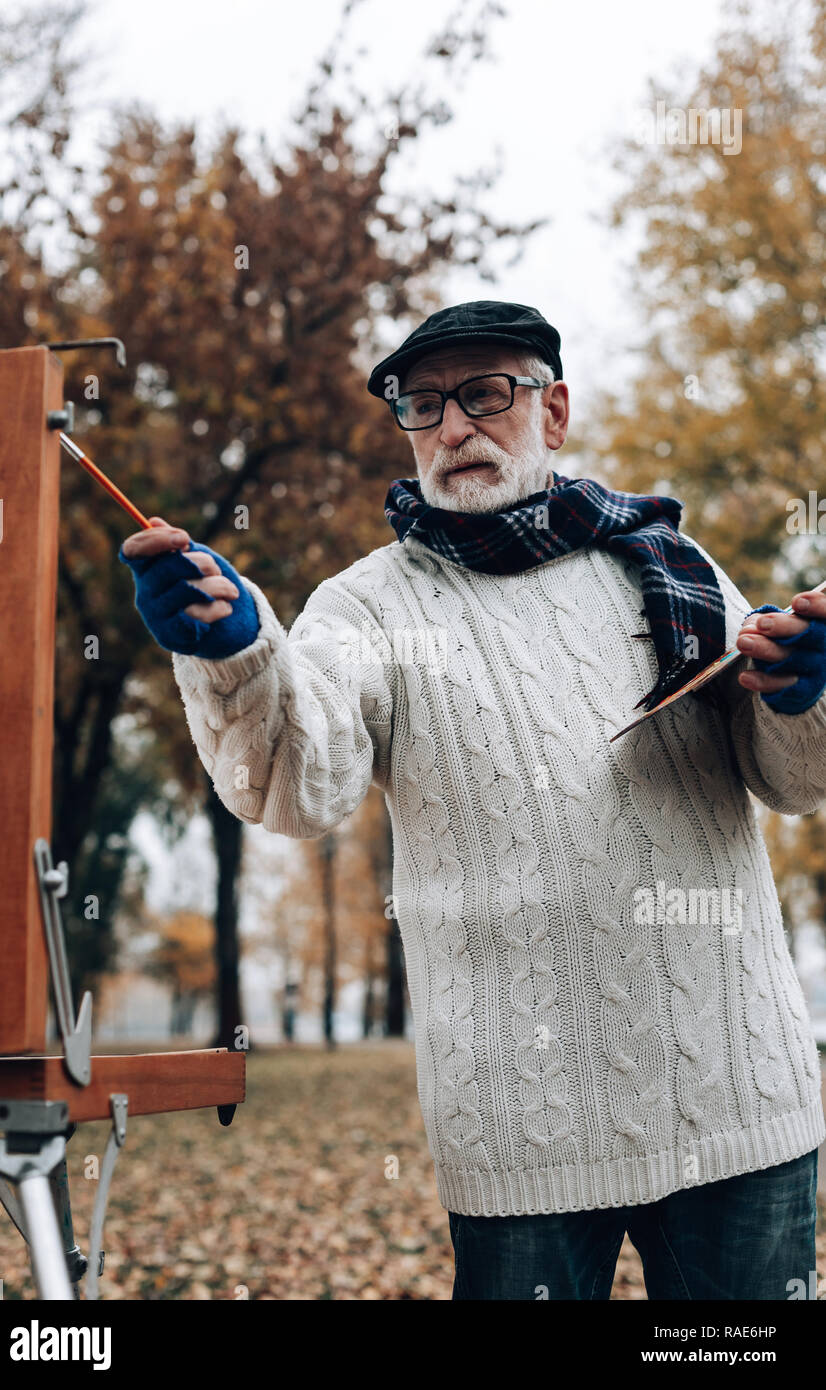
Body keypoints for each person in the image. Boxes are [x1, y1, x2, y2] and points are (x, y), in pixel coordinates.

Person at [119, 300, 826, 1300]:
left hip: (739, 1094)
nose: (453, 427)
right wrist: (234, 650)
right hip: (519, 1129)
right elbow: (296, 783)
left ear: (555, 410)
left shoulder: (668, 564)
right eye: (424, 404)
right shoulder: (367, 605)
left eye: (485, 394)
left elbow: (789, 781)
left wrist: (800, 696)